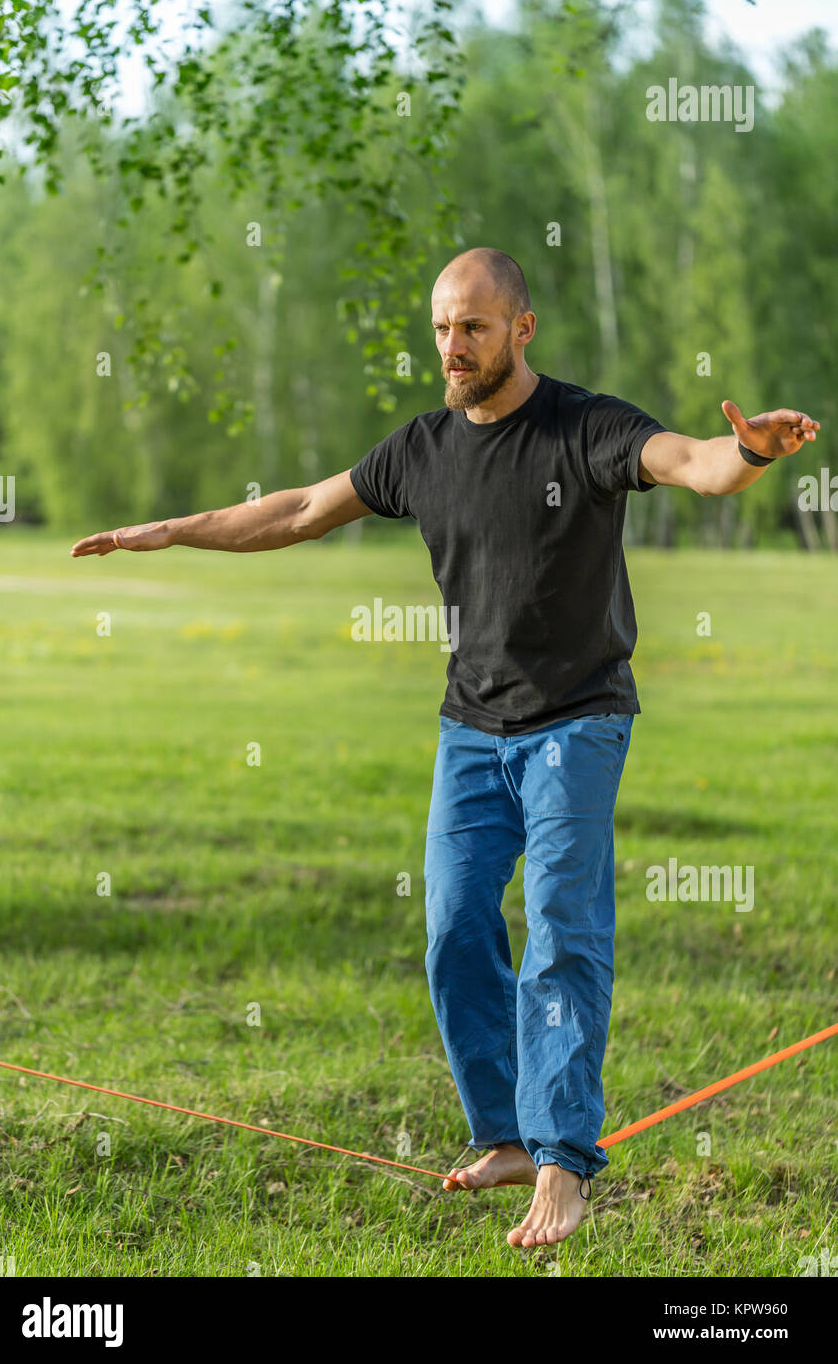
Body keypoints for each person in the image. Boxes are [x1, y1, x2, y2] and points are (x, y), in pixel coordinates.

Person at [71, 247, 819, 1249]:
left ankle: (560, 1160)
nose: (452, 346)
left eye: (471, 326)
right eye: (439, 328)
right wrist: (170, 529)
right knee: (454, 929)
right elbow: (295, 509)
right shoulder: (419, 448)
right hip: (469, 727)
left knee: (561, 927)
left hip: (575, 718)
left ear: (520, 327)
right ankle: (504, 1132)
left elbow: (693, 462)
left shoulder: (583, 426)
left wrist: (754, 451)